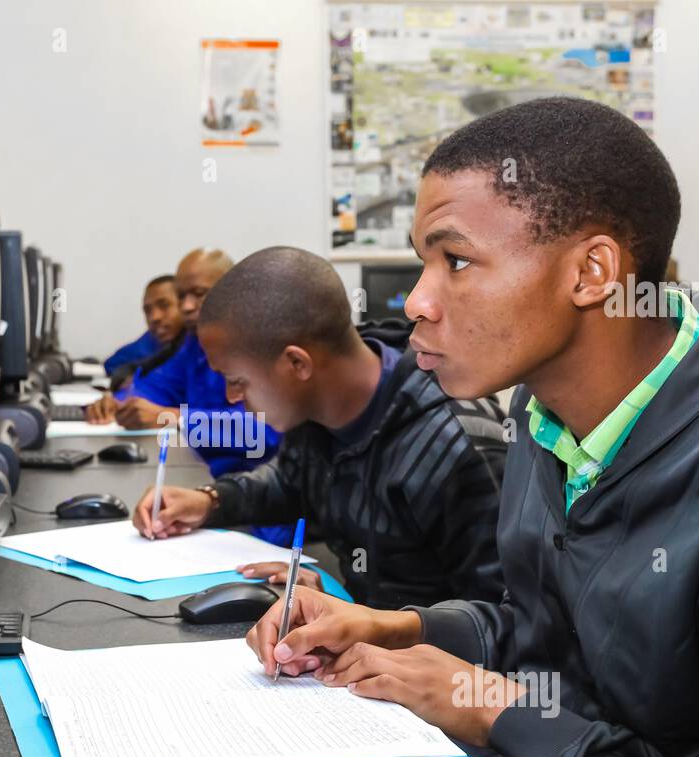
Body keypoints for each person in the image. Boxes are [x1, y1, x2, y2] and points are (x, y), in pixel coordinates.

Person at [245, 97, 699, 757]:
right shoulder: (544, 414)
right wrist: (400, 627)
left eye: (456, 260)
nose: (418, 302)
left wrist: (499, 711)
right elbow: (550, 637)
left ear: (592, 272)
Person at [132, 246, 507, 611]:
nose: (232, 397)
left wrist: (357, 620)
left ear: (297, 364)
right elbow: (289, 482)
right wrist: (208, 501)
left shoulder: (456, 446)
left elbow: (503, 629)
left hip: (416, 663)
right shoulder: (315, 408)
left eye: (238, 380)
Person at [87, 248, 282, 480]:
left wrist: (175, 417)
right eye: (181, 296)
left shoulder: (259, 344)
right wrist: (118, 403)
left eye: (199, 293)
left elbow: (263, 431)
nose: (187, 306)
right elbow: (157, 386)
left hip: (249, 487)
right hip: (200, 474)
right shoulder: (194, 343)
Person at [102, 274, 185, 387]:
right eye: (147, 311)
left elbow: (187, 403)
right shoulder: (158, 342)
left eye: (164, 305)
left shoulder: (201, 348)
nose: (154, 317)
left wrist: (167, 406)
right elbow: (114, 365)